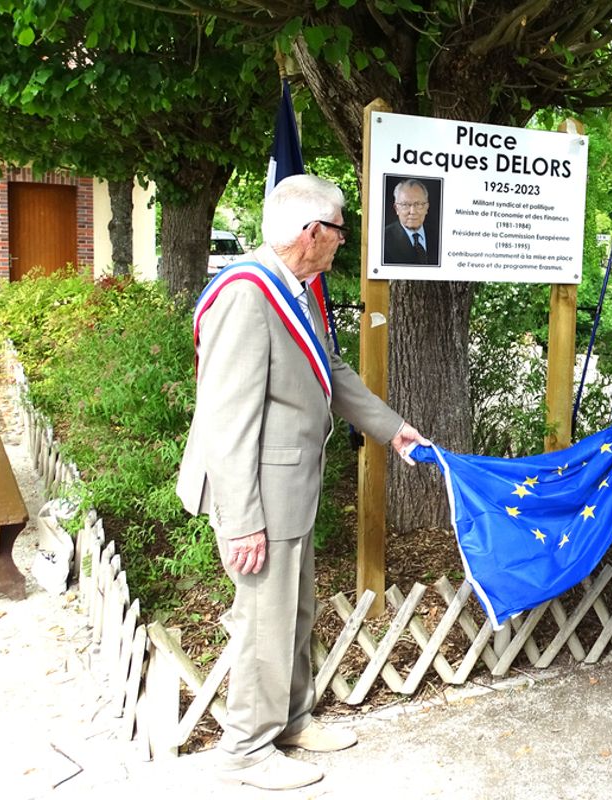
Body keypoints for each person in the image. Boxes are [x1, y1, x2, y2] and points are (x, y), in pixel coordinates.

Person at [176, 174, 428, 790]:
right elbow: (226, 419)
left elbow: (330, 370)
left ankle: (289, 721)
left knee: (294, 610)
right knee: (264, 620)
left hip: (290, 487)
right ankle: (245, 749)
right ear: (312, 232)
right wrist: (242, 521)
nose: (343, 240)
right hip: (259, 495)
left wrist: (392, 429)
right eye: (339, 229)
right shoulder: (248, 294)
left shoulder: (296, 288)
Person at [383, 178, 438, 265]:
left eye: (418, 204)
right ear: (396, 208)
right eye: (405, 205)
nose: (412, 211)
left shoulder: (438, 235)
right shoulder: (383, 239)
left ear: (426, 207)